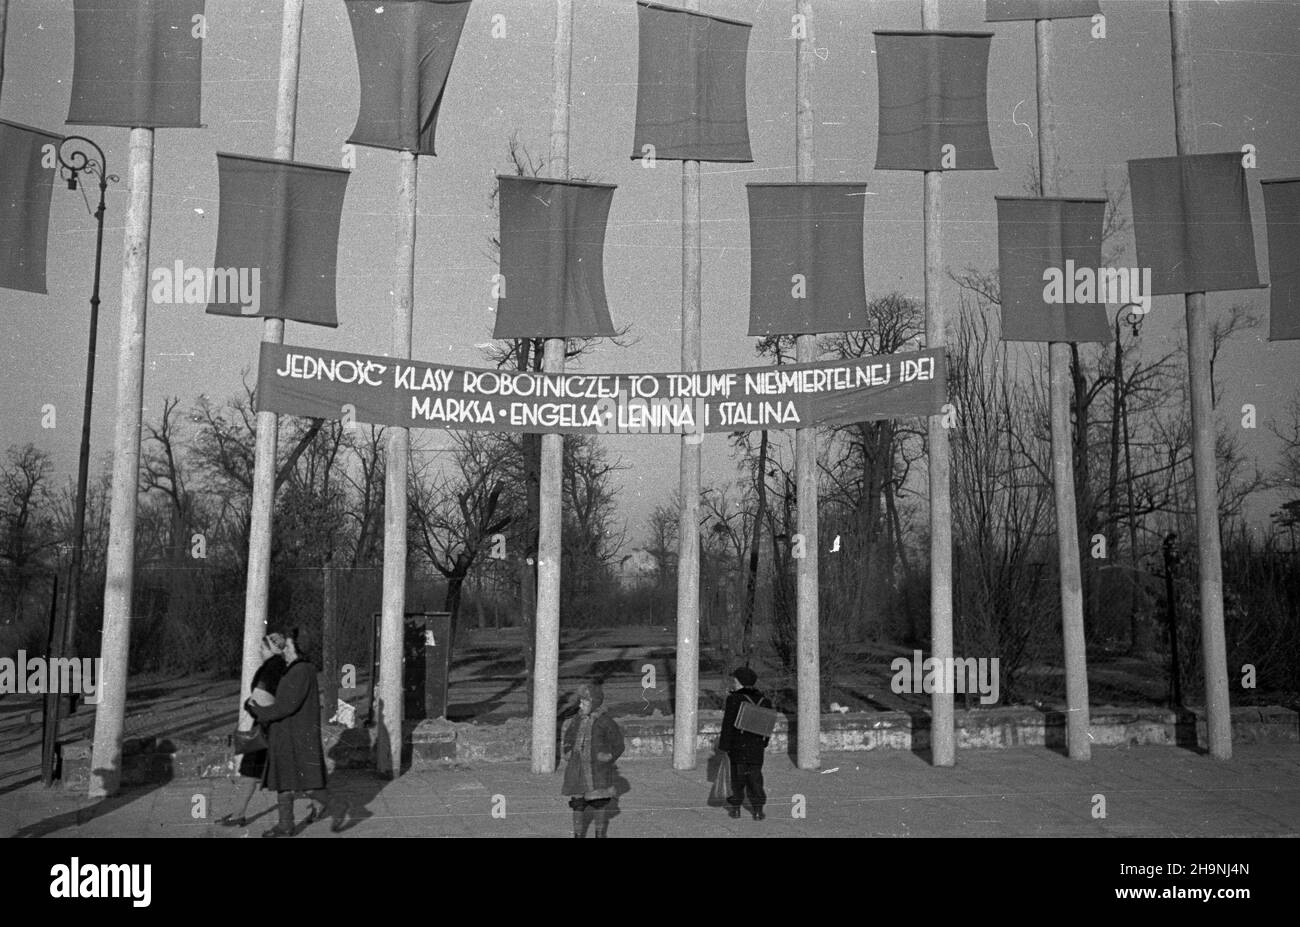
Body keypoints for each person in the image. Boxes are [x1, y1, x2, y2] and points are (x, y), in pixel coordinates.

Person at [245, 627, 329, 838]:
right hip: (291, 732)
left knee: (285, 781)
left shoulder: (299, 671)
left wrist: (257, 710)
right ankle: (316, 804)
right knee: (295, 780)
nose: (285, 650)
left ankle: (286, 825)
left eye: (289, 646)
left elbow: (285, 706)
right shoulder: (299, 669)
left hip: (292, 734)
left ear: (298, 649)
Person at [220, 632, 287, 828]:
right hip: (268, 725)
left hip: (266, 727)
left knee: (254, 771)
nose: (259, 650)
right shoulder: (276, 665)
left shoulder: (272, 667)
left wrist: (252, 707)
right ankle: (238, 814)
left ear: (271, 648)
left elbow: (264, 697)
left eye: (263, 647)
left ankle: (238, 815)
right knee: (260, 771)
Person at [561, 682, 624, 838]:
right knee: (577, 802)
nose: (581, 706)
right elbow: (569, 736)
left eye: (584, 702)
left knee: (599, 801)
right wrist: (568, 750)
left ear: (594, 704)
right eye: (580, 702)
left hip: (597, 769)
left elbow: (618, 743)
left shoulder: (605, 721)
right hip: (577, 767)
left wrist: (609, 755)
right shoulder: (577, 719)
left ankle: (599, 833)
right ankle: (577, 834)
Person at [718, 666, 773, 821]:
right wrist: (764, 743)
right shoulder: (765, 700)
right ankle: (758, 810)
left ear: (741, 682)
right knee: (755, 777)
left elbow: (727, 725)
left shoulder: (734, 699)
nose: (733, 683)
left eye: (735, 680)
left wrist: (724, 746)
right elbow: (768, 725)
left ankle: (735, 809)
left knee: (738, 778)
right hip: (756, 747)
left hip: (738, 746)